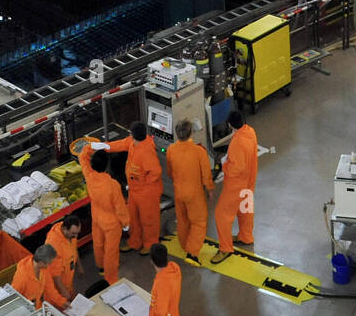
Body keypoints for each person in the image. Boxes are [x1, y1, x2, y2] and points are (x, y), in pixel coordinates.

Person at [97, 121, 162, 255]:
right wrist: (103, 146)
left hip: (146, 192)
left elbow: (155, 172)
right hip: (135, 190)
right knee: (133, 217)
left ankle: (150, 244)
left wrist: (143, 183)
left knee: (148, 219)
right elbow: (120, 144)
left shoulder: (146, 151)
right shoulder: (133, 143)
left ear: (133, 135)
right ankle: (135, 241)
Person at [212, 110, 258, 263]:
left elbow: (237, 168)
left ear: (230, 124)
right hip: (249, 181)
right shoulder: (250, 132)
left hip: (236, 185)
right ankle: (246, 236)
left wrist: (224, 165)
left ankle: (225, 248)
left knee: (221, 215)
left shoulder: (238, 143)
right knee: (245, 209)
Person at [166, 118, 212, 264]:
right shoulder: (199, 151)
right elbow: (206, 174)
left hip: (179, 192)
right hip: (194, 194)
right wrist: (210, 189)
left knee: (183, 220)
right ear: (191, 132)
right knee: (199, 221)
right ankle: (192, 253)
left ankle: (185, 245)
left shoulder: (171, 150)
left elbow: (170, 171)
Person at [83, 149, 130, 284]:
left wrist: (87, 148)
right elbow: (120, 207)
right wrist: (126, 223)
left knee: (98, 243)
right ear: (106, 165)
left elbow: (83, 159)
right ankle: (110, 278)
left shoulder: (89, 176)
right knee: (111, 250)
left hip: (96, 217)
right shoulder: (112, 185)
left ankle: (101, 266)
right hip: (111, 222)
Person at [45, 213, 84, 301]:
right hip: (58, 286)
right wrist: (63, 291)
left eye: (77, 233)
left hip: (68, 280)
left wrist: (79, 266)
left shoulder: (69, 232)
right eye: (74, 233)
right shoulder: (53, 245)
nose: (76, 236)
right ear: (65, 229)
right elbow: (55, 274)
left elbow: (74, 249)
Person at [10, 244, 58, 309]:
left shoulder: (42, 269)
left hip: (37, 307)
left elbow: (48, 288)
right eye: (49, 263)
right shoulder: (22, 278)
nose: (50, 265)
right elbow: (14, 298)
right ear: (41, 263)